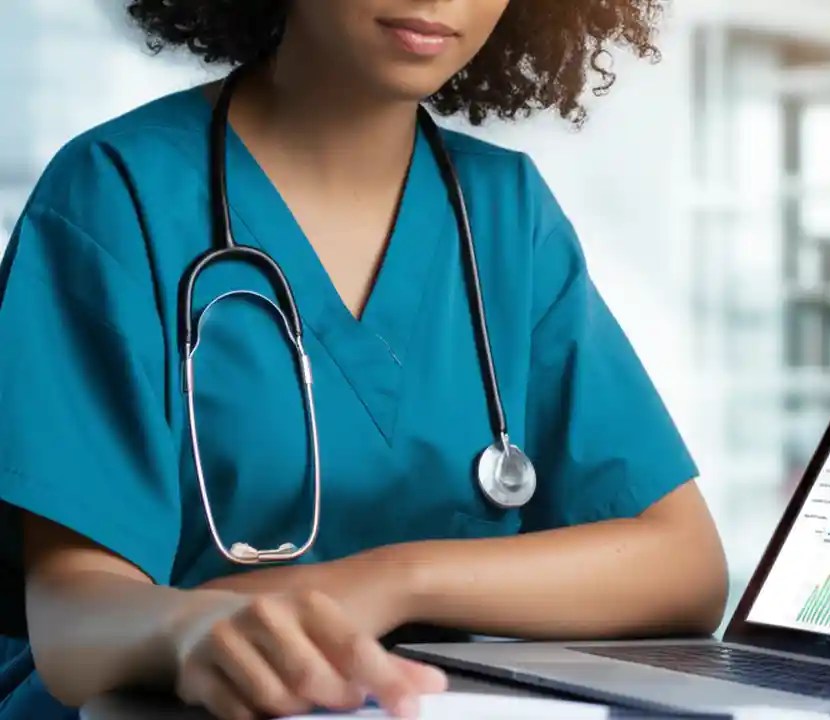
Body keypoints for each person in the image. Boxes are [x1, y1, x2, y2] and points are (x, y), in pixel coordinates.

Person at [0, 1, 728, 718]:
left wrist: (392, 582)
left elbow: (684, 568)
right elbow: (69, 627)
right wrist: (192, 631)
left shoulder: (506, 212)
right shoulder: (116, 189)